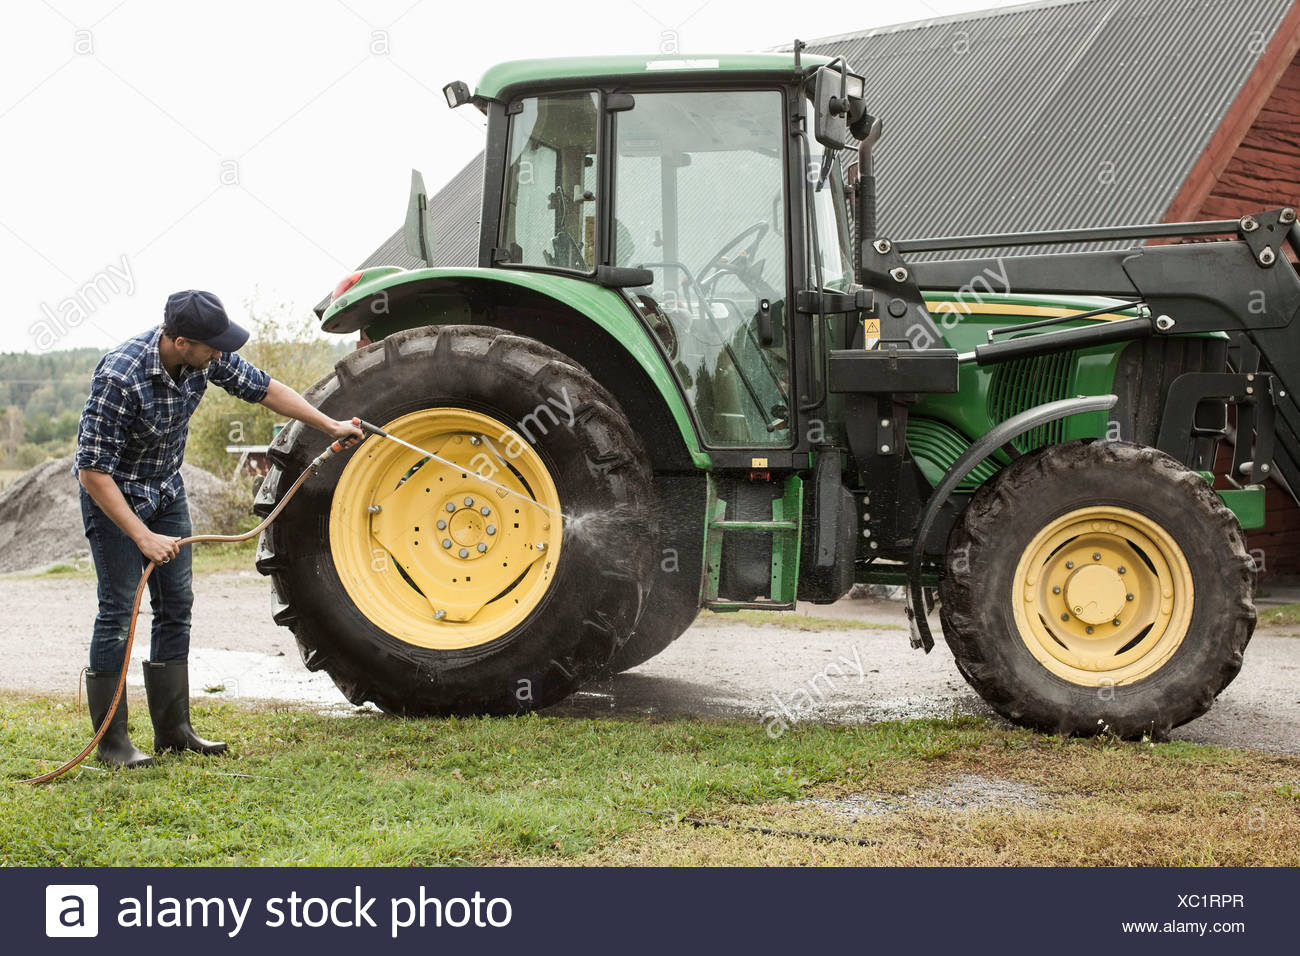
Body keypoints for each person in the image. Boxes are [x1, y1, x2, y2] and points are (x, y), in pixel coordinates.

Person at [74, 290, 362, 767]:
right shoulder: (119, 377)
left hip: (165, 491)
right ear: (181, 341)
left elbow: (267, 389)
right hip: (116, 498)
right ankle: (112, 743)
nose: (220, 353)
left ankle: (174, 730)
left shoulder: (206, 361)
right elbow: (92, 472)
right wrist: (141, 536)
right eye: (212, 345)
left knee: (177, 606)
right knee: (119, 613)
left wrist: (328, 424)